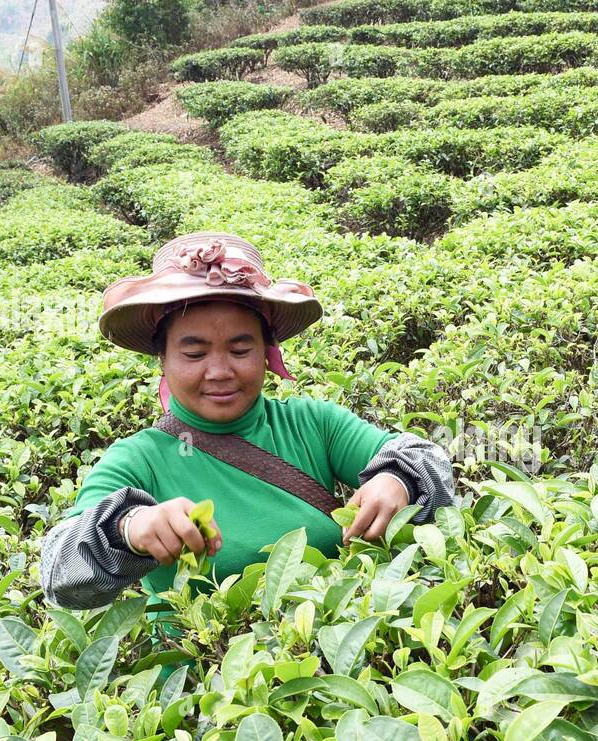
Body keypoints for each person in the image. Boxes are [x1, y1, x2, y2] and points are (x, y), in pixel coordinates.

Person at [39, 231, 455, 624]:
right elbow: (60, 574)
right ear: (163, 359)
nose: (220, 371)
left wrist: (398, 480)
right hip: (203, 685)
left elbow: (427, 457)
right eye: (194, 353)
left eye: (240, 349)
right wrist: (129, 529)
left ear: (267, 352)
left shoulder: (315, 424)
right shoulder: (138, 459)